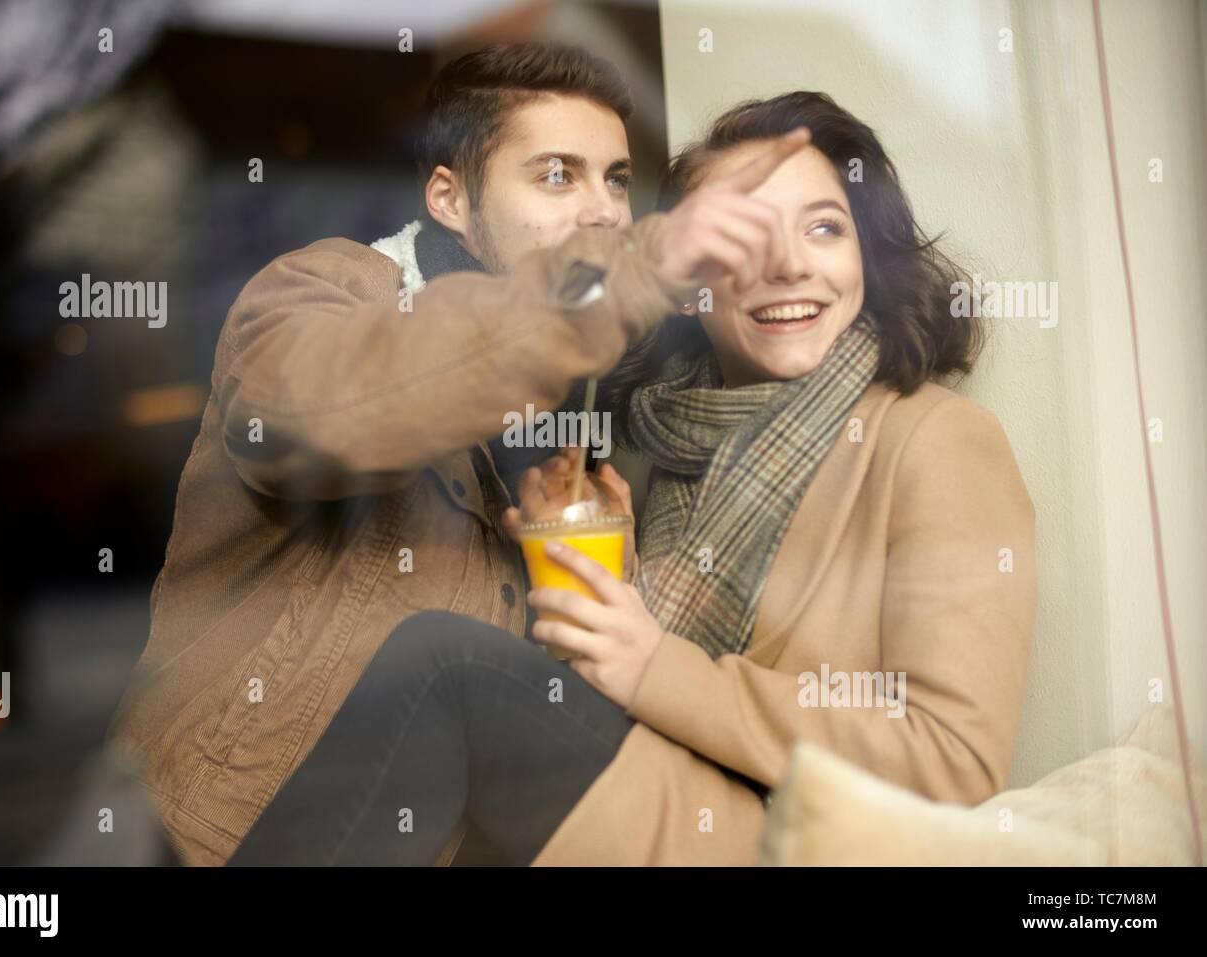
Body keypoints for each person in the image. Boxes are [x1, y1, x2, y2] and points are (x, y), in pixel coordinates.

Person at [226, 91, 1037, 867]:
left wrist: (655, 666)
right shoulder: (649, 443)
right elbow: (612, 684)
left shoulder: (937, 439)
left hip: (789, 840)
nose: (789, 265)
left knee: (441, 665)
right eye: (744, 240)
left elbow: (954, 760)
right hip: (655, 800)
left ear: (868, 260)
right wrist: (606, 579)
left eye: (825, 228)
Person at [104, 41, 807, 866]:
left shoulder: (574, 405)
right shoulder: (325, 290)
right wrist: (636, 270)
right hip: (216, 836)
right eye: (556, 175)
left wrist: (594, 577)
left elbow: (520, 714)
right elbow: (315, 415)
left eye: (616, 179)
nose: (604, 212)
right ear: (449, 197)